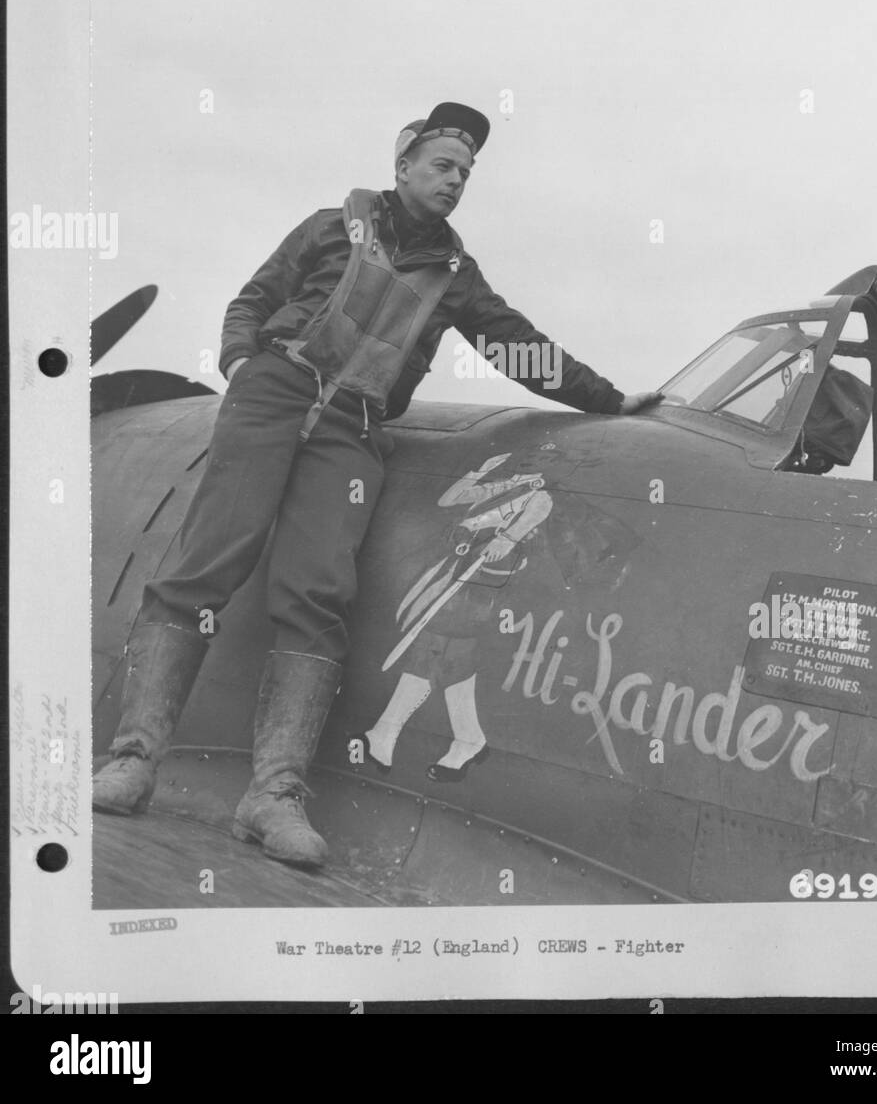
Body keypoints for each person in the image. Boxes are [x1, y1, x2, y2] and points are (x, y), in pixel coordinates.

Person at [92, 102, 661, 868]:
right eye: (442, 166)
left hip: (353, 430)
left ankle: (272, 796)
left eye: (465, 173)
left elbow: (517, 346)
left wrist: (606, 397)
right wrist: (239, 363)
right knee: (203, 567)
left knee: (319, 595)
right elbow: (254, 299)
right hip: (274, 393)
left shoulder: (456, 276)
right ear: (402, 168)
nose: (455, 181)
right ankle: (133, 761)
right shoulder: (331, 226)